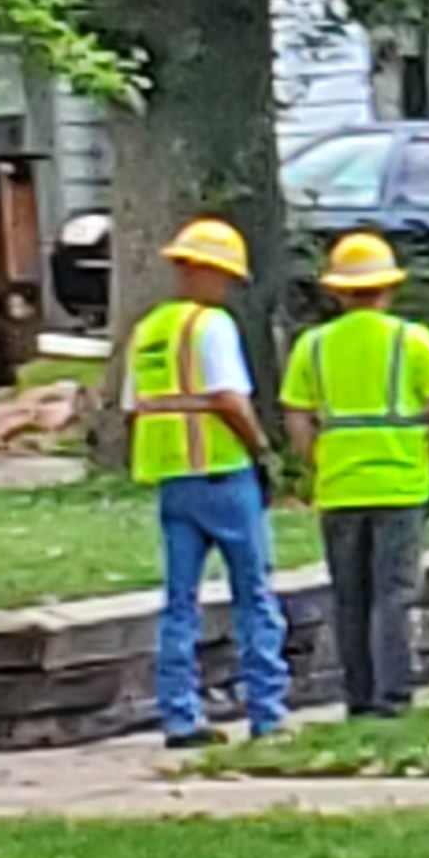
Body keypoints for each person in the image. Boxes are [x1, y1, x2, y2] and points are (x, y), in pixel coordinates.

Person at [124, 216, 292, 749]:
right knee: (255, 596)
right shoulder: (212, 326)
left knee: (179, 603)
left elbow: (135, 409)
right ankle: (267, 714)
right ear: (211, 273)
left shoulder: (148, 329)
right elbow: (228, 399)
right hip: (224, 475)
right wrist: (262, 449)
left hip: (174, 481)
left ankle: (180, 716)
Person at [282, 229, 429, 719]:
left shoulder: (312, 346)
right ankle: (393, 697)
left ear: (336, 291)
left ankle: (358, 697)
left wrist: (315, 460)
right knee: (394, 595)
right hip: (403, 483)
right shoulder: (414, 340)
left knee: (349, 596)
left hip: (340, 485)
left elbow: (297, 416)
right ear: (390, 287)